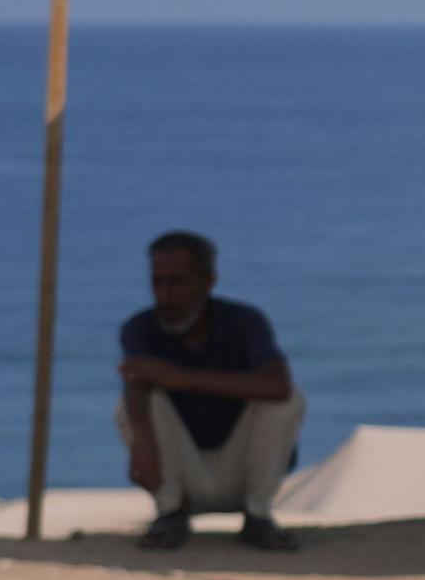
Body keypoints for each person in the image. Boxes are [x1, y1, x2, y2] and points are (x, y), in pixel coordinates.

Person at [116, 230, 303, 552]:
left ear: (207, 281)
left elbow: (279, 385)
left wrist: (182, 377)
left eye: (178, 282)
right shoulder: (140, 327)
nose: (166, 295)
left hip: (242, 468)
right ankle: (170, 513)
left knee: (287, 402)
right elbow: (136, 385)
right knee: (138, 406)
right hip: (182, 474)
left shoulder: (244, 322)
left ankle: (258, 516)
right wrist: (142, 441)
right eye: (158, 282)